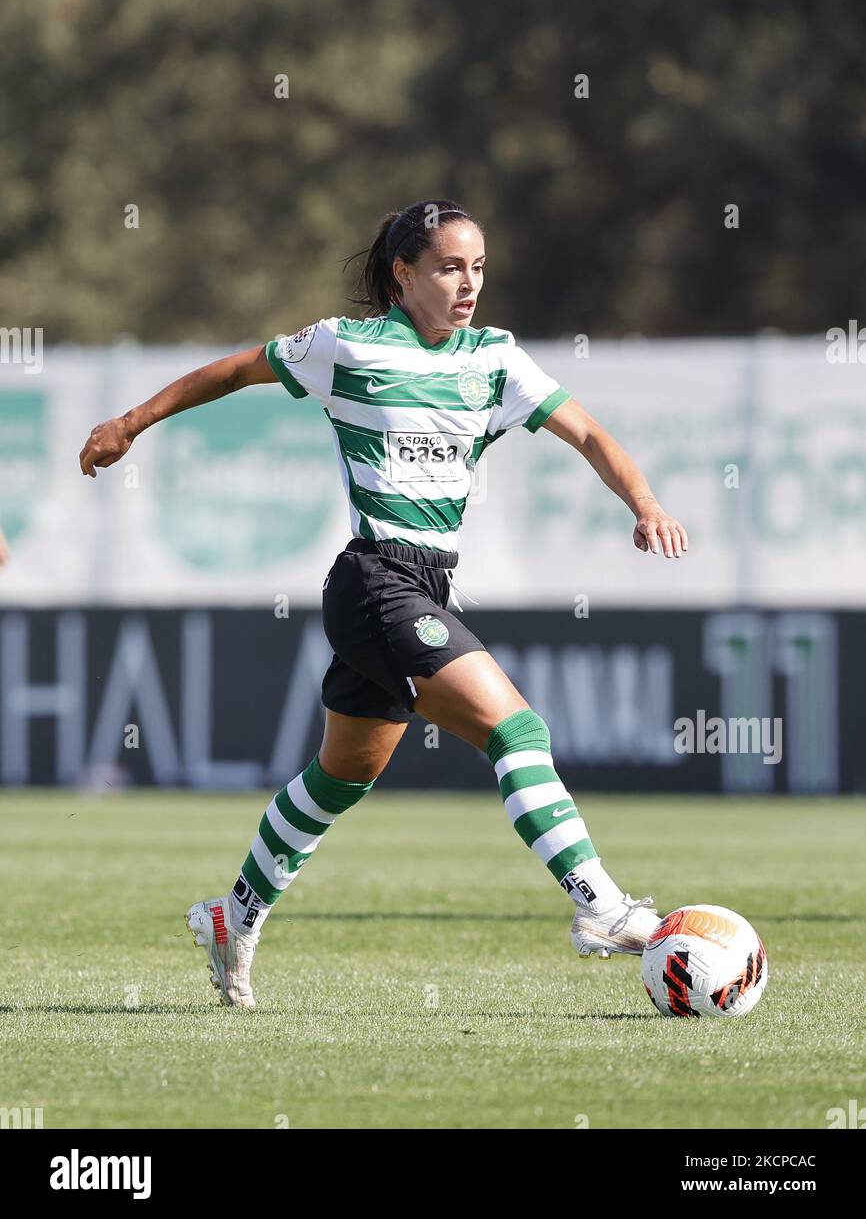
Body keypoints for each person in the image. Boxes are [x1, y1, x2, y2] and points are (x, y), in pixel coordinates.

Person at [79, 199, 688, 1009]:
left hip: (426, 583)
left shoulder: (495, 359)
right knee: (516, 729)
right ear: (403, 275)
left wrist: (643, 502)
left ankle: (233, 915)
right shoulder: (347, 347)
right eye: (447, 267)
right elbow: (233, 371)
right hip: (375, 582)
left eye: (477, 267)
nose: (467, 284)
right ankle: (601, 908)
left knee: (341, 777)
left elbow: (589, 434)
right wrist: (131, 421)